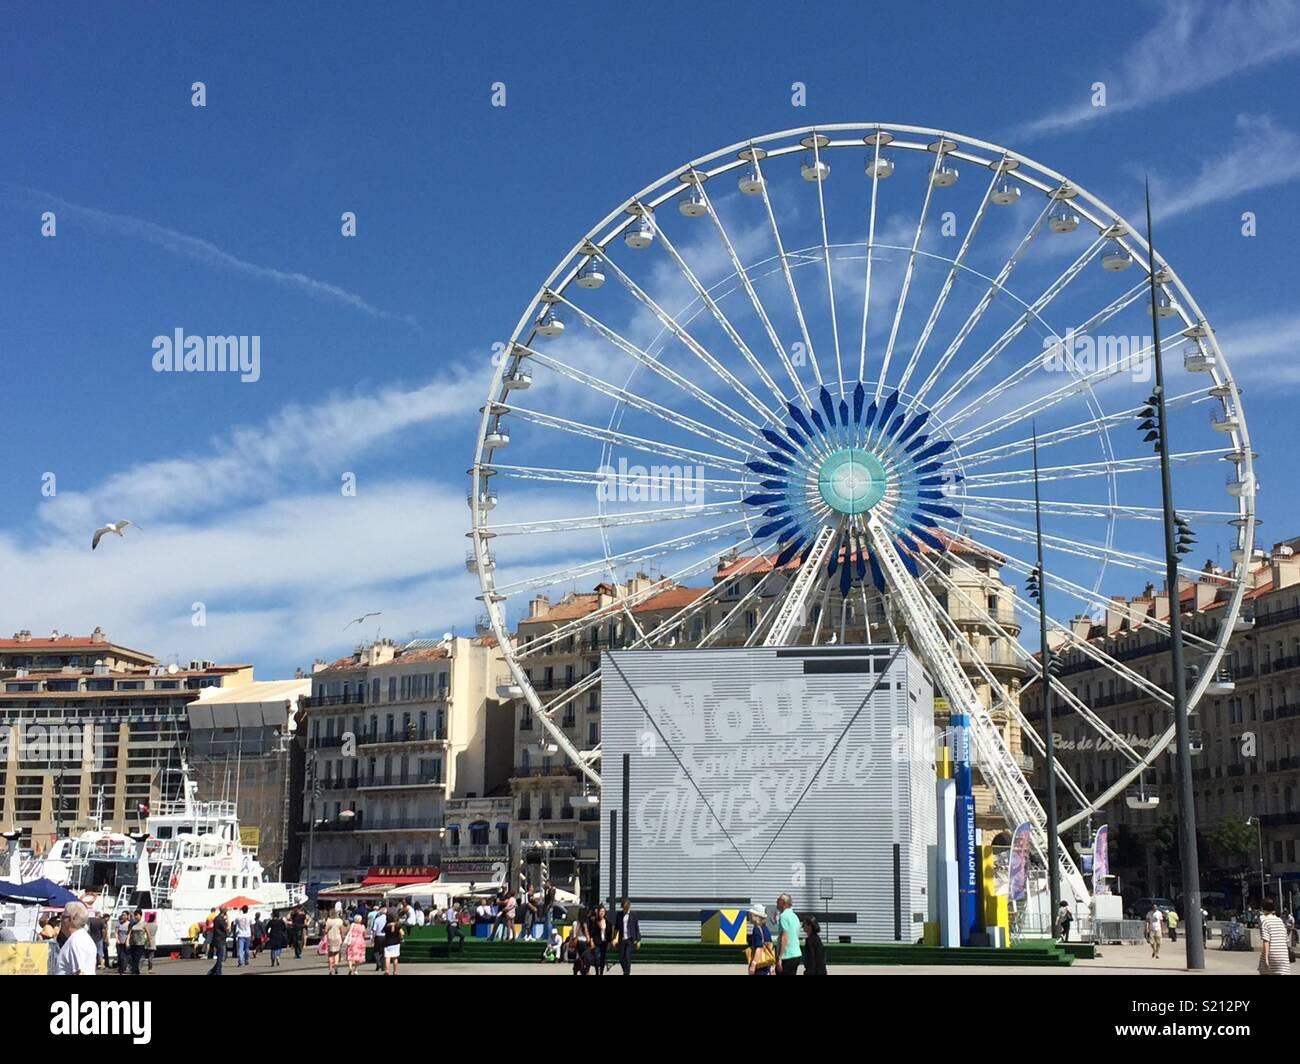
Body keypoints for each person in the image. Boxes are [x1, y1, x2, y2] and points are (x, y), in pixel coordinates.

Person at [55, 902, 98, 976]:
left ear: (72, 918)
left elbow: (79, 972)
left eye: (63, 916)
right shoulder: (82, 937)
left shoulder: (76, 941)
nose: (60, 920)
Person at [1258, 898, 1292, 976]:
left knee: (1263, 971)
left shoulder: (1265, 922)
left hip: (1272, 956)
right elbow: (1286, 940)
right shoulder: (1280, 922)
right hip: (1283, 957)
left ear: (1263, 909)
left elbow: (1266, 941)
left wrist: (1266, 958)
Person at [774, 894, 802, 976]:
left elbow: (784, 937)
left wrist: (780, 957)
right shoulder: (794, 916)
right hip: (796, 954)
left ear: (783, 903)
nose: (776, 902)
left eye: (778, 900)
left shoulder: (784, 916)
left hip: (787, 956)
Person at [745, 905, 774, 976]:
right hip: (766, 963)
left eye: (751, 915)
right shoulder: (766, 929)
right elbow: (770, 947)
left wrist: (753, 964)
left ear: (756, 916)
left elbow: (759, 948)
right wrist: (772, 966)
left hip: (759, 965)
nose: (749, 917)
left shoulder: (756, 929)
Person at [615, 898, 641, 976]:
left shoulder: (633, 915)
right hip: (622, 938)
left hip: (630, 939)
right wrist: (614, 938)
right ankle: (625, 970)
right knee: (621, 957)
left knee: (627, 956)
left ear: (629, 906)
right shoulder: (619, 915)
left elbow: (636, 927)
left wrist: (638, 940)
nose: (624, 909)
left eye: (626, 908)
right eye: (623, 908)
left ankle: (627, 972)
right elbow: (616, 927)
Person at [590, 904, 611, 975]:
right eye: (600, 911)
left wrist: (609, 942)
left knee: (602, 959)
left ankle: (601, 972)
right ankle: (597, 971)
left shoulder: (607, 922)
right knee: (596, 958)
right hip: (597, 942)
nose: (602, 913)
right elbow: (592, 933)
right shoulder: (595, 922)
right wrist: (592, 941)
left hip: (604, 943)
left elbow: (609, 933)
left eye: (603, 911)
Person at [207, 908, 229, 975]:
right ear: (224, 912)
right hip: (220, 940)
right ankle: (217, 972)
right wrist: (227, 920)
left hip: (218, 939)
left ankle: (213, 971)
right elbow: (226, 929)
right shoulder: (220, 919)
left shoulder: (217, 918)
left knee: (222, 957)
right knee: (221, 957)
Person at [324, 908, 345, 974]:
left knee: (330, 954)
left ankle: (330, 969)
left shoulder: (328, 921)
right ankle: (336, 964)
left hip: (330, 938)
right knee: (336, 953)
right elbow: (342, 931)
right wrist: (342, 937)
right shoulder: (339, 921)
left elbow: (325, 931)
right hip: (338, 938)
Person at [370, 904, 389, 971]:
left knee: (376, 951)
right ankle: (383, 966)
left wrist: (373, 937)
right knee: (383, 951)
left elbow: (374, 929)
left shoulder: (377, 919)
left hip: (378, 936)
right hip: (385, 936)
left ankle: (378, 963)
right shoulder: (387, 919)